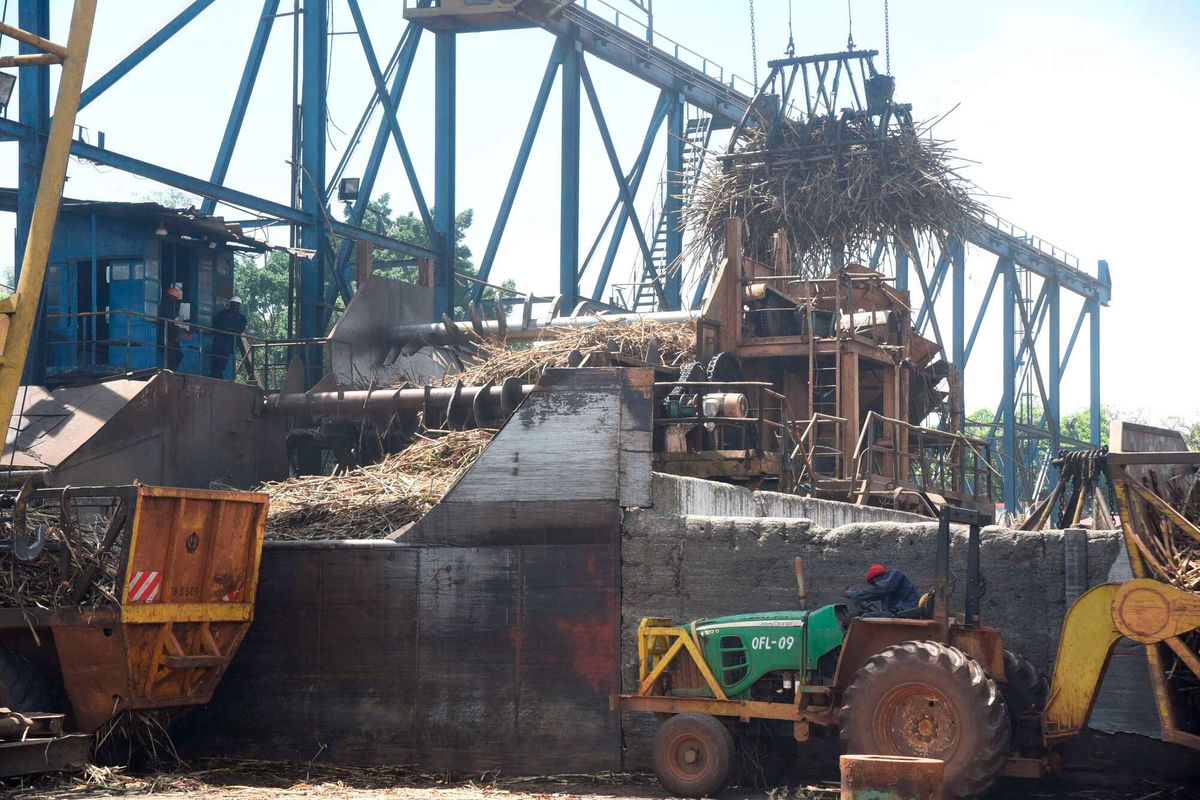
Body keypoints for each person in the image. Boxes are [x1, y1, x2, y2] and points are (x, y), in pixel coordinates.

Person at [848, 563, 920, 617]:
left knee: (865, 618)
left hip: (905, 611)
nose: (874, 585)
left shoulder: (895, 574)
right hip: (898, 612)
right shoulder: (887, 587)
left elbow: (880, 590)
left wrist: (855, 595)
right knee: (865, 615)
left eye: (873, 583)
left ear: (877, 577)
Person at [209, 296, 248, 379]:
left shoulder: (241, 318)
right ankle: (215, 375)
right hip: (219, 340)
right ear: (230, 304)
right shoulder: (222, 314)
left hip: (229, 342)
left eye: (236, 305)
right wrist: (228, 329)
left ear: (239, 306)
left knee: (223, 360)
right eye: (233, 304)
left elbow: (239, 330)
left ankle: (217, 375)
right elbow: (216, 324)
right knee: (215, 358)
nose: (234, 306)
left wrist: (228, 329)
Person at [160, 284, 185, 371]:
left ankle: (170, 371)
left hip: (169, 334)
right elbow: (169, 321)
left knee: (177, 354)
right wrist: (175, 334)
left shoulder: (168, 306)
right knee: (176, 354)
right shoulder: (167, 306)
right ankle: (170, 371)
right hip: (168, 334)